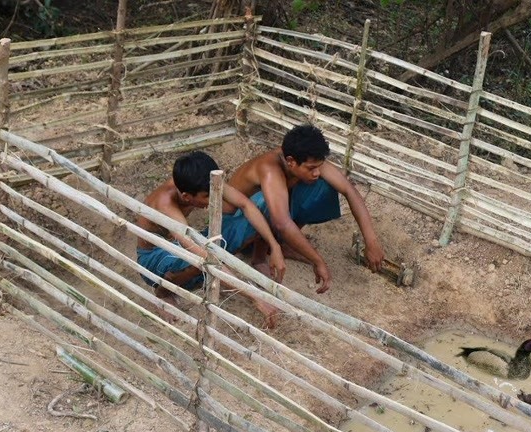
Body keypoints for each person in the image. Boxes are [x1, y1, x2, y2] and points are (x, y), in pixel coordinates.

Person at [136, 151, 287, 327]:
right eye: (207, 196)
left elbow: (245, 204)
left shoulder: (201, 181)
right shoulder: (165, 204)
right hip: (155, 257)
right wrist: (255, 297)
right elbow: (203, 253)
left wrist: (274, 246)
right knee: (199, 260)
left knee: (250, 218)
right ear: (186, 196)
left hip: (184, 240)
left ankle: (201, 276)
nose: (213, 198)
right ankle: (163, 292)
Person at [228, 123, 384, 293]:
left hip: (267, 223)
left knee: (323, 187)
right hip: (235, 226)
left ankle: (282, 244)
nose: (316, 172)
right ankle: (259, 257)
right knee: (268, 200)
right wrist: (318, 261)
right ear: (291, 161)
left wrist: (371, 241)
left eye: (319, 166)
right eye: (311, 168)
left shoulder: (305, 159)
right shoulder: (270, 169)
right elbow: (282, 223)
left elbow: (349, 190)